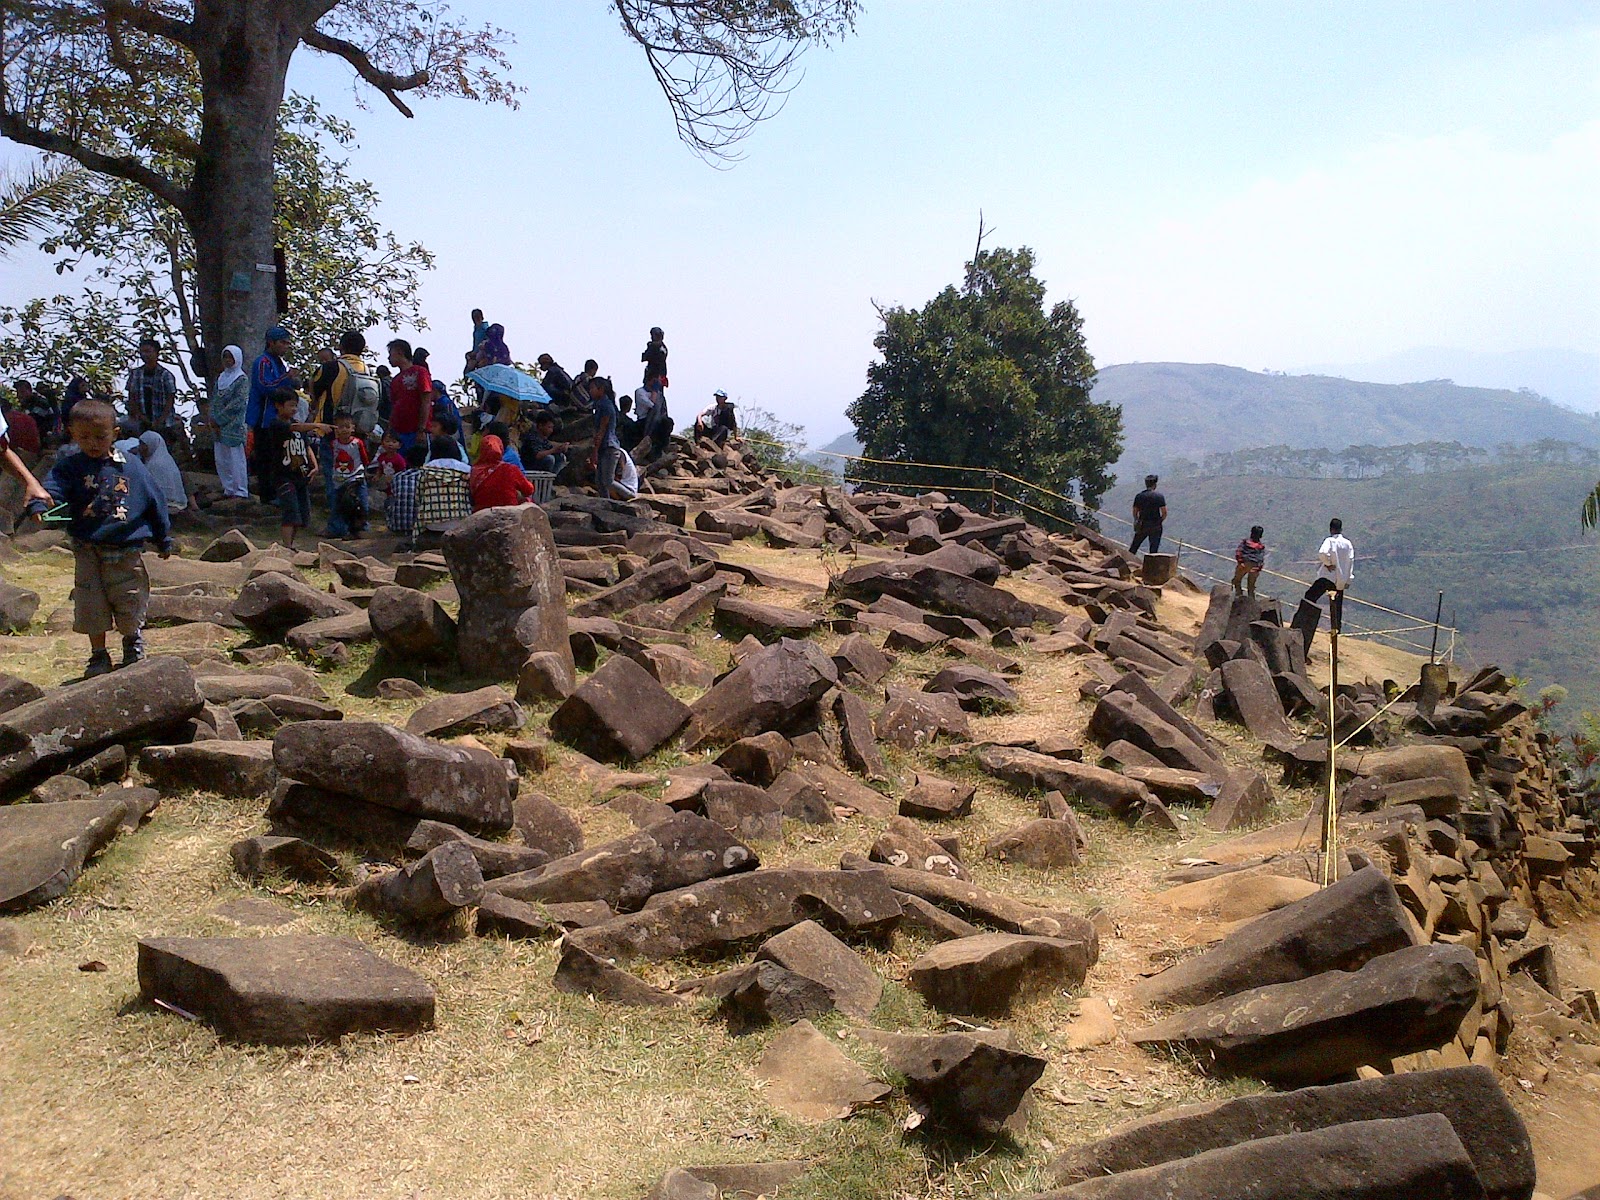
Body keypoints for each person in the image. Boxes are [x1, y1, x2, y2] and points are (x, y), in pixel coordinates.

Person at [40, 400, 171, 676]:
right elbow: (51, 493)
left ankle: (132, 642)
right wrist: (41, 508)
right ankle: (98, 654)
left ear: (116, 432)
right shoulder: (69, 468)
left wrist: (163, 538)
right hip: (87, 548)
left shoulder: (131, 467)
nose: (93, 443)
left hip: (125, 549)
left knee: (129, 598)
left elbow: (154, 500)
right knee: (90, 603)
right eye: (84, 437)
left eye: (100, 436)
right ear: (72, 433)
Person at [257, 388, 317, 549]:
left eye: (296, 405)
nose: (294, 409)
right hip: (283, 475)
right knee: (290, 511)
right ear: (278, 406)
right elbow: (293, 429)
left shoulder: (297, 426)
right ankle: (287, 546)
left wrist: (315, 466)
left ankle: (292, 544)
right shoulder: (277, 424)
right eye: (290, 405)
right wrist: (317, 425)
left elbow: (307, 446)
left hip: (301, 475)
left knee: (302, 513)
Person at [247, 326, 296, 497]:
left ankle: (279, 493)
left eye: (288, 343)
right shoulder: (262, 362)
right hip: (263, 417)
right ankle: (267, 496)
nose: (286, 346)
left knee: (278, 457)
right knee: (265, 457)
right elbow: (264, 386)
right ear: (271, 342)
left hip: (278, 418)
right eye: (283, 342)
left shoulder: (279, 364)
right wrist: (286, 378)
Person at [212, 345, 251, 499]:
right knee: (221, 459)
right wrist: (212, 418)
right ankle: (228, 489)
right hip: (218, 426)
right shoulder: (221, 378)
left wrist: (220, 419)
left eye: (231, 357)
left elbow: (238, 403)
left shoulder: (242, 379)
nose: (228, 361)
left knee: (236, 459)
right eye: (225, 357)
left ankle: (240, 490)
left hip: (234, 425)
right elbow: (215, 400)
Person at [415, 436, 473, 537]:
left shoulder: (425, 470)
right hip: (460, 522)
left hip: (432, 524)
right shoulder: (467, 471)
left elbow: (418, 497)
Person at [1303, 518, 1355, 631]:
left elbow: (1322, 553)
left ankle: (1306, 622)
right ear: (1341, 529)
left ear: (1331, 529)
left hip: (1328, 576)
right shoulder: (1348, 544)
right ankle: (1336, 630)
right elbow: (1351, 561)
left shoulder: (1330, 540)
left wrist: (1328, 563)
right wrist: (1348, 579)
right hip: (1340, 579)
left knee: (1310, 597)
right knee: (1337, 606)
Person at [0, 401, 52, 509]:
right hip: (27, 457)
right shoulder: (26, 417)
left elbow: (3, 449)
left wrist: (30, 482)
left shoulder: (12, 419)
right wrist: (31, 482)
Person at [327, 413, 370, 536]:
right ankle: (338, 529)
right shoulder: (334, 444)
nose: (344, 430)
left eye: (347, 426)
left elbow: (364, 458)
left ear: (353, 428)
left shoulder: (358, 443)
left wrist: (364, 471)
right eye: (341, 427)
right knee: (339, 506)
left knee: (362, 503)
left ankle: (362, 528)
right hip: (339, 479)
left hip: (356, 478)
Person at [125, 337, 178, 437]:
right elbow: (131, 397)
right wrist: (142, 417)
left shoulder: (165, 375)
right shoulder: (135, 374)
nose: (145, 355)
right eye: (142, 352)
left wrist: (160, 420)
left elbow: (170, 400)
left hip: (164, 423)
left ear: (157, 353)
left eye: (148, 351)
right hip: (141, 423)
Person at [386, 339, 432, 451]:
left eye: (390, 354)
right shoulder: (395, 380)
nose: (388, 358)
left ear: (399, 352)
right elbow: (394, 406)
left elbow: (426, 401)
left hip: (416, 432)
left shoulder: (420, 372)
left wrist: (422, 429)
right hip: (398, 433)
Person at [468, 434, 535, 511]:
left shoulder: (474, 470)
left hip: (481, 512)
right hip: (510, 512)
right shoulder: (510, 469)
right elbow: (529, 490)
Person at [131, 430, 190, 513]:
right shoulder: (164, 459)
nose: (140, 448)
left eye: (143, 445)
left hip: (168, 504)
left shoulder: (156, 464)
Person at [587, 375, 622, 500]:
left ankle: (630, 491)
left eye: (592, 388)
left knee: (607, 481)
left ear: (601, 389)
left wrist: (594, 451)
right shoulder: (599, 405)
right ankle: (605, 503)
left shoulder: (606, 405)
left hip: (609, 447)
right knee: (600, 481)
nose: (590, 391)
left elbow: (602, 429)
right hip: (604, 447)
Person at [385, 442, 428, 537]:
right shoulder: (428, 477)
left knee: (389, 500)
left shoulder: (397, 477)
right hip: (421, 526)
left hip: (396, 526)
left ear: (407, 460)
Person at [523, 411, 572, 478]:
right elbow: (537, 455)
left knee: (560, 457)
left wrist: (561, 448)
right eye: (549, 427)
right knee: (549, 459)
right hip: (529, 466)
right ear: (540, 426)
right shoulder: (532, 437)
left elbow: (549, 447)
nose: (551, 431)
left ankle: (553, 478)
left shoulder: (543, 438)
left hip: (539, 463)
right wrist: (553, 450)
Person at [1129, 474, 1167, 555]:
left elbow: (1135, 511)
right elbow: (1164, 513)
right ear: (1155, 485)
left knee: (1134, 546)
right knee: (1153, 550)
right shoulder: (1159, 496)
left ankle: (1127, 562)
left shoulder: (1139, 496)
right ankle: (1151, 566)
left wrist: (1137, 520)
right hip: (1155, 525)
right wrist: (1159, 521)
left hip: (1143, 523)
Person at [1233, 525, 1267, 597]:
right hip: (1255, 566)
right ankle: (1251, 600)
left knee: (1237, 580)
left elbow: (1239, 552)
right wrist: (1258, 568)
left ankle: (1238, 595)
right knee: (1251, 586)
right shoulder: (1260, 546)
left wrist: (1241, 562)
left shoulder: (1246, 542)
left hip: (1244, 564)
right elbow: (1260, 558)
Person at [188, 396, 216, 469]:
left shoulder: (214, 418)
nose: (204, 408)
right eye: (202, 406)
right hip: (200, 445)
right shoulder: (195, 418)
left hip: (212, 444)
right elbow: (194, 430)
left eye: (206, 406)